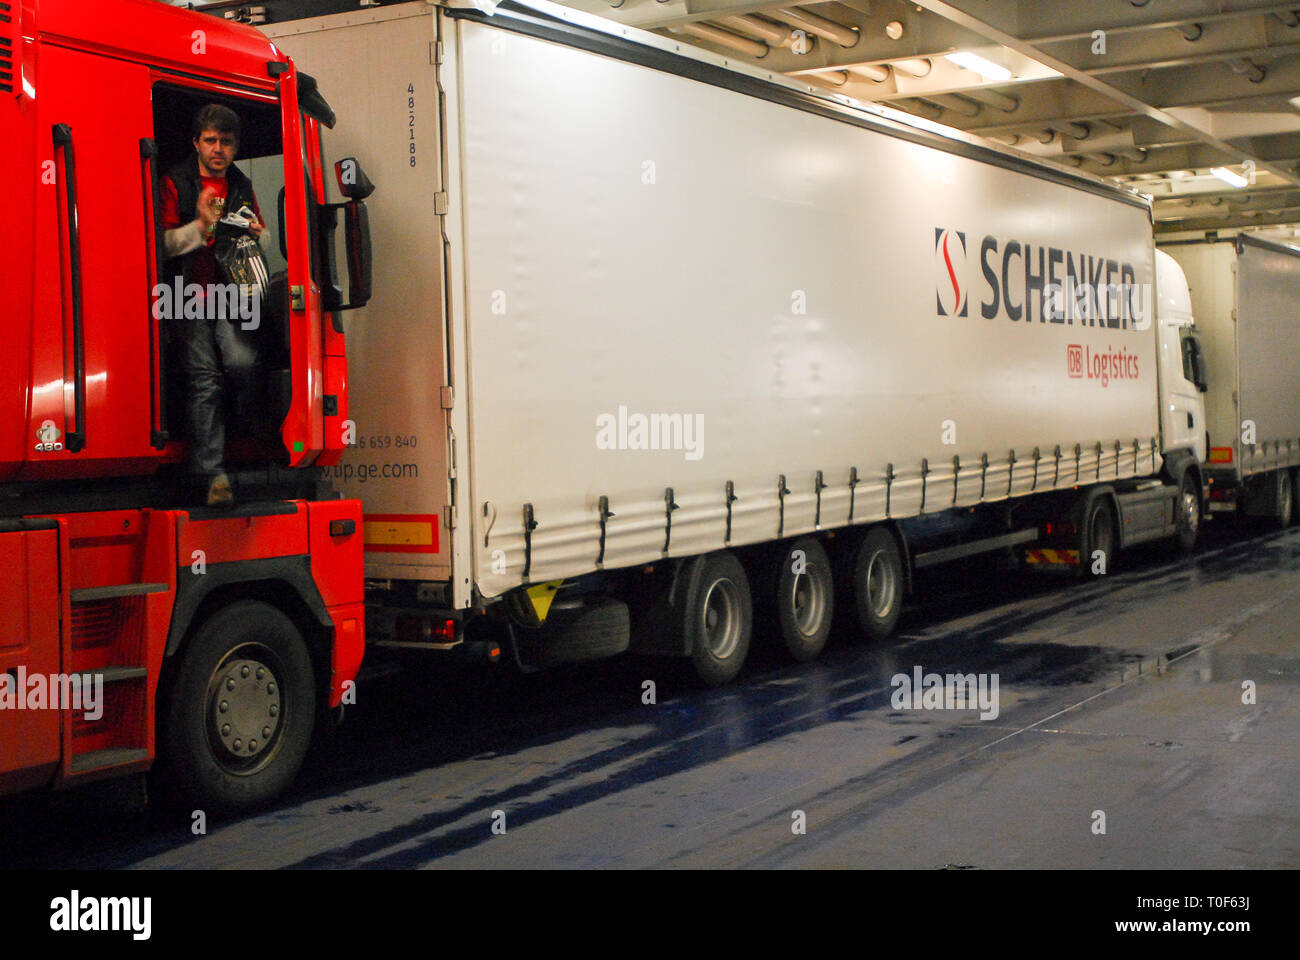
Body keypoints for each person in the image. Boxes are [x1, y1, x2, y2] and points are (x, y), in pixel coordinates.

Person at [161, 103, 265, 506]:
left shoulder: (240, 184)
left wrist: (260, 235)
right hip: (185, 295)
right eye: (210, 140)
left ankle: (244, 440)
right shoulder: (175, 182)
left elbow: (262, 239)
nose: (218, 148)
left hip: (232, 294)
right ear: (196, 143)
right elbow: (161, 244)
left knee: (242, 365)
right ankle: (212, 473)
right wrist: (200, 226)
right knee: (204, 379)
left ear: (235, 146)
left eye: (226, 141)